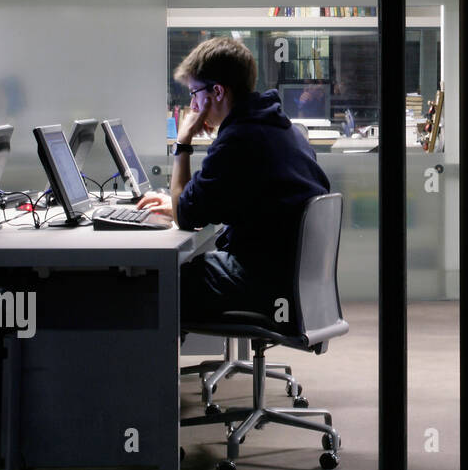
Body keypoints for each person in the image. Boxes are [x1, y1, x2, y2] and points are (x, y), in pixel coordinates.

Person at [139, 37, 330, 325]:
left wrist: (183, 143)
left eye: (194, 94)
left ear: (216, 91)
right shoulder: (281, 128)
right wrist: (178, 201)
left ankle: (152, 371)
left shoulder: (239, 139)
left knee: (159, 282)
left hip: (265, 284)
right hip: (295, 283)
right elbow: (222, 199)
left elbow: (187, 216)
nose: (192, 106)